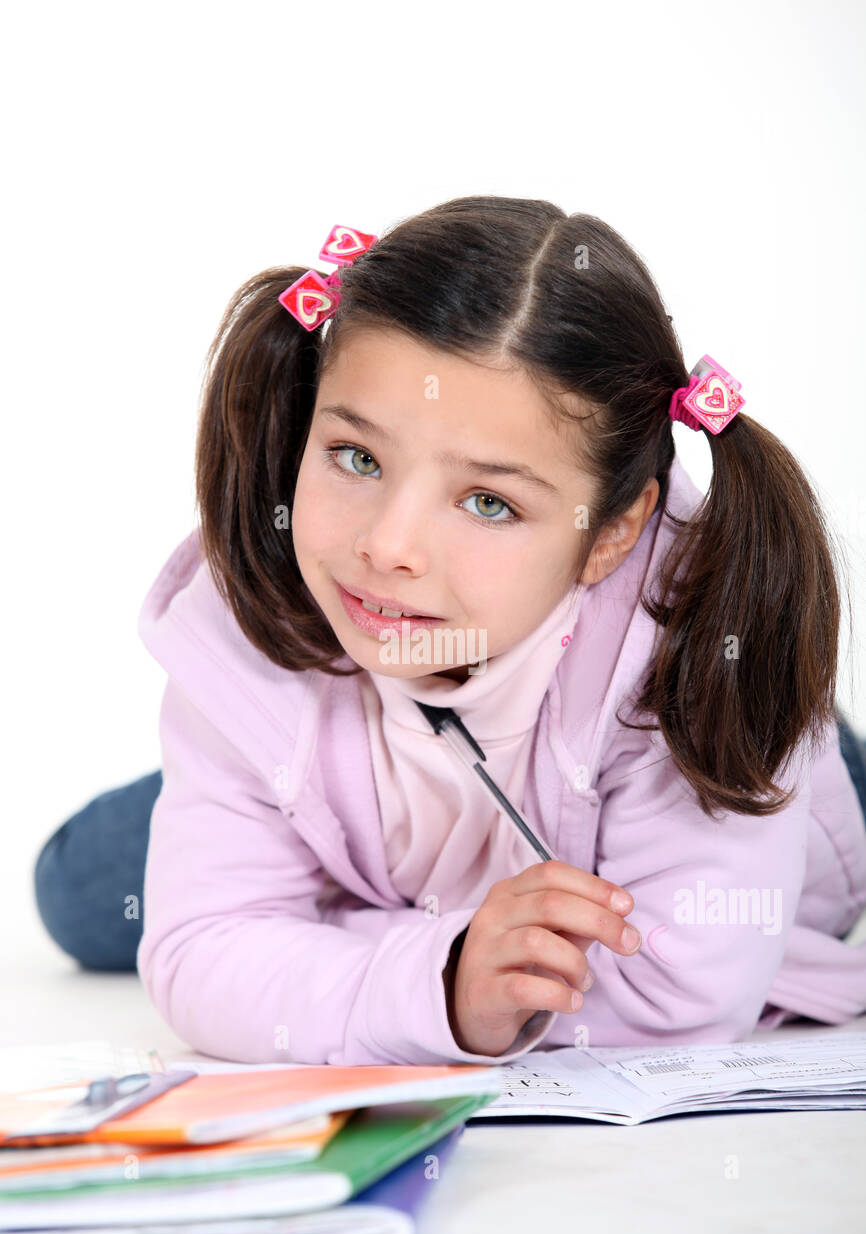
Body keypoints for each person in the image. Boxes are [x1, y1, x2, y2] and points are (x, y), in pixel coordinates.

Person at [33, 198, 866, 1065]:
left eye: (488, 503)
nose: (386, 547)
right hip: (373, 815)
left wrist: (429, 977)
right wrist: (441, 970)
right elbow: (204, 950)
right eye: (357, 457)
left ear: (610, 534)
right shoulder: (261, 602)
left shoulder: (691, 669)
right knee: (79, 889)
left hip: (786, 783)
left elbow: (676, 996)